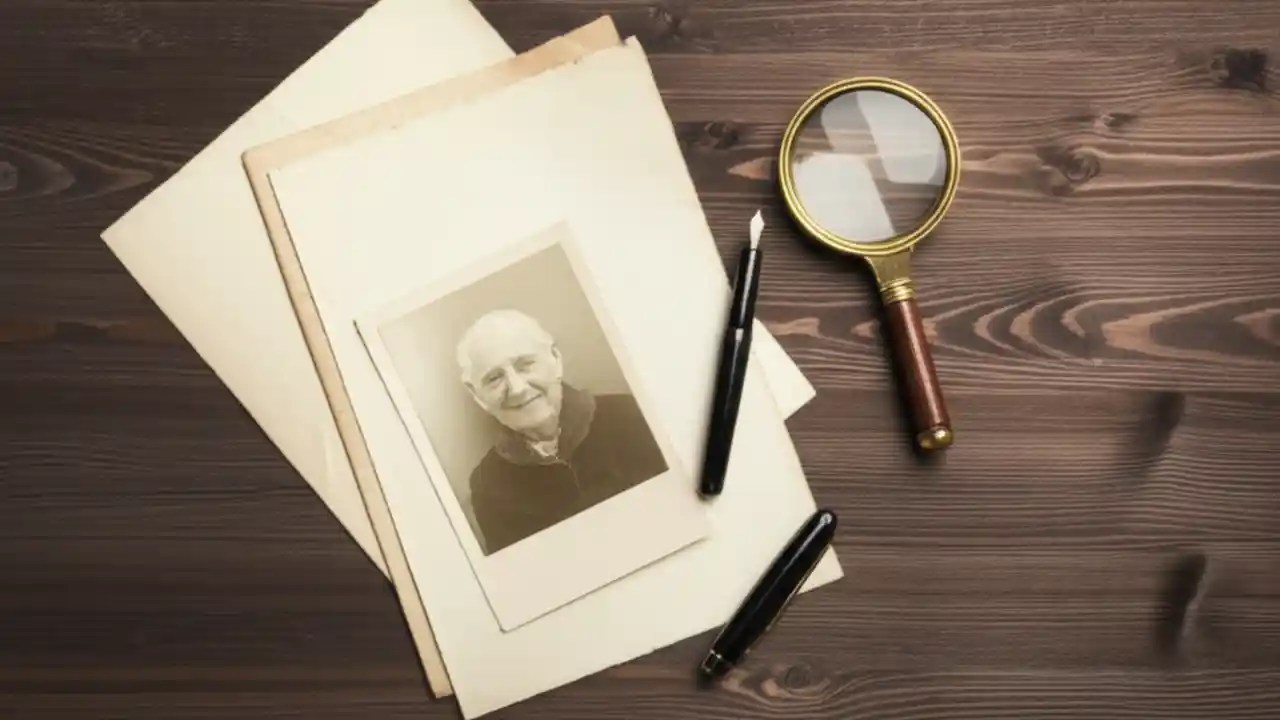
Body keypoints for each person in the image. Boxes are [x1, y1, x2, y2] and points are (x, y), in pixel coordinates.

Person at [456, 309, 667, 554]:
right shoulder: (487, 484)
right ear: (477, 396)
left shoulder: (634, 416)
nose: (517, 389)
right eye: (494, 378)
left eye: (525, 365)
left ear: (555, 360)